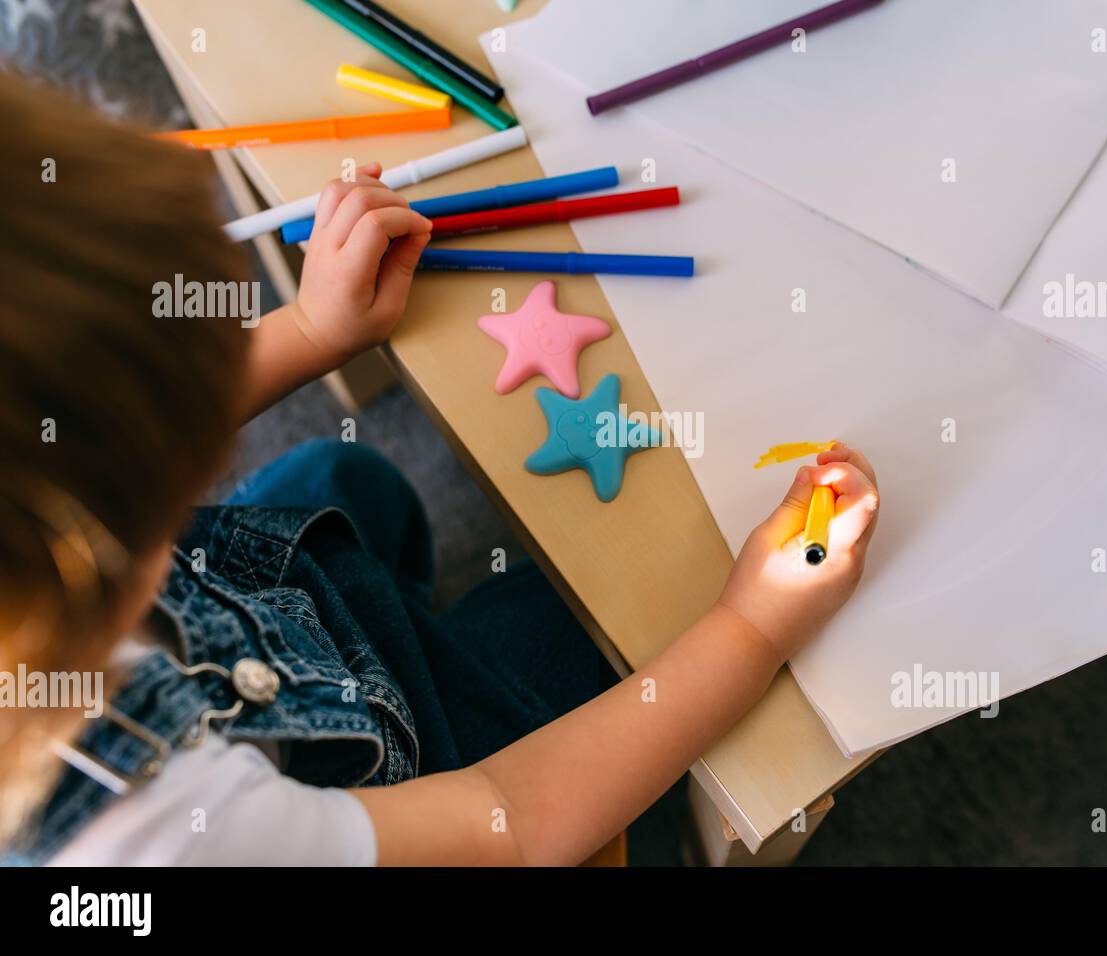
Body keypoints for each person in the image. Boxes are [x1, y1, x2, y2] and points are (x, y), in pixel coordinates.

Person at [0, 75, 879, 866]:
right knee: (609, 633)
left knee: (345, 485)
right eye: (167, 482)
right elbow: (512, 818)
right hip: (419, 790)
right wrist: (751, 628)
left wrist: (310, 330)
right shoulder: (172, 839)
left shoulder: (42, 525)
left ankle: (411, 629)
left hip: (259, 626)